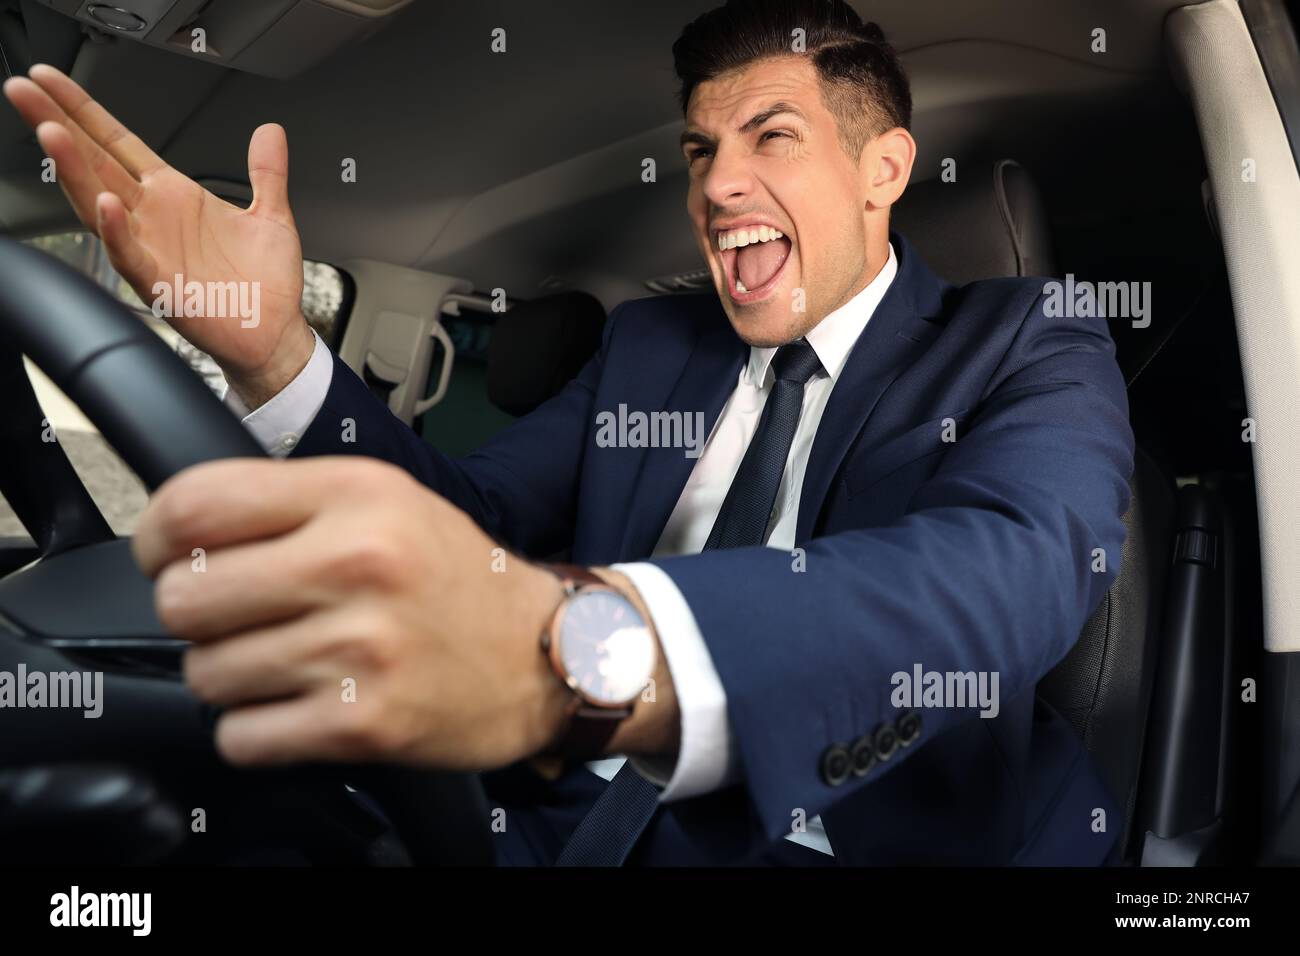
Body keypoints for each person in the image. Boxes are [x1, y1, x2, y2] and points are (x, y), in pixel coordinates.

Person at [2, 0, 1133, 865]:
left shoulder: (1030, 337)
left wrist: (584, 654)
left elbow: (1004, 574)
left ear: (883, 167)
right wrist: (277, 354)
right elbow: (469, 518)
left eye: (770, 137)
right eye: (699, 150)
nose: (719, 183)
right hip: (547, 810)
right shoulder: (650, 348)